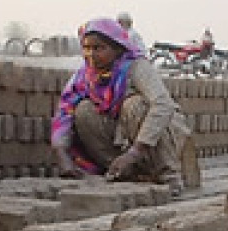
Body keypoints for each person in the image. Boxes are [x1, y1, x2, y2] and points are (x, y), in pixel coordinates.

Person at [51, 17, 193, 195]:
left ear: (117, 49)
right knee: (84, 110)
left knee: (134, 105)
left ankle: (166, 175)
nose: (91, 55)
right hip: (120, 139)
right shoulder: (85, 75)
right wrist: (62, 154)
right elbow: (65, 110)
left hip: (157, 139)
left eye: (99, 48)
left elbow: (163, 104)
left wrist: (136, 152)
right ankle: (121, 170)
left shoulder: (136, 66)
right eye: (87, 48)